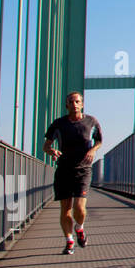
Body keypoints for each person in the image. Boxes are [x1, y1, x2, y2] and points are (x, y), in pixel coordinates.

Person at [42, 91, 103, 255]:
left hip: (83, 170)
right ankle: (69, 241)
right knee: (66, 210)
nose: (74, 104)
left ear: (81, 104)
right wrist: (51, 152)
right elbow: (46, 146)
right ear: (66, 105)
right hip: (63, 170)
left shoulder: (91, 122)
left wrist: (93, 150)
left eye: (77, 101)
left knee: (79, 209)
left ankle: (79, 228)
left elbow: (99, 140)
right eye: (71, 102)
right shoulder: (58, 124)